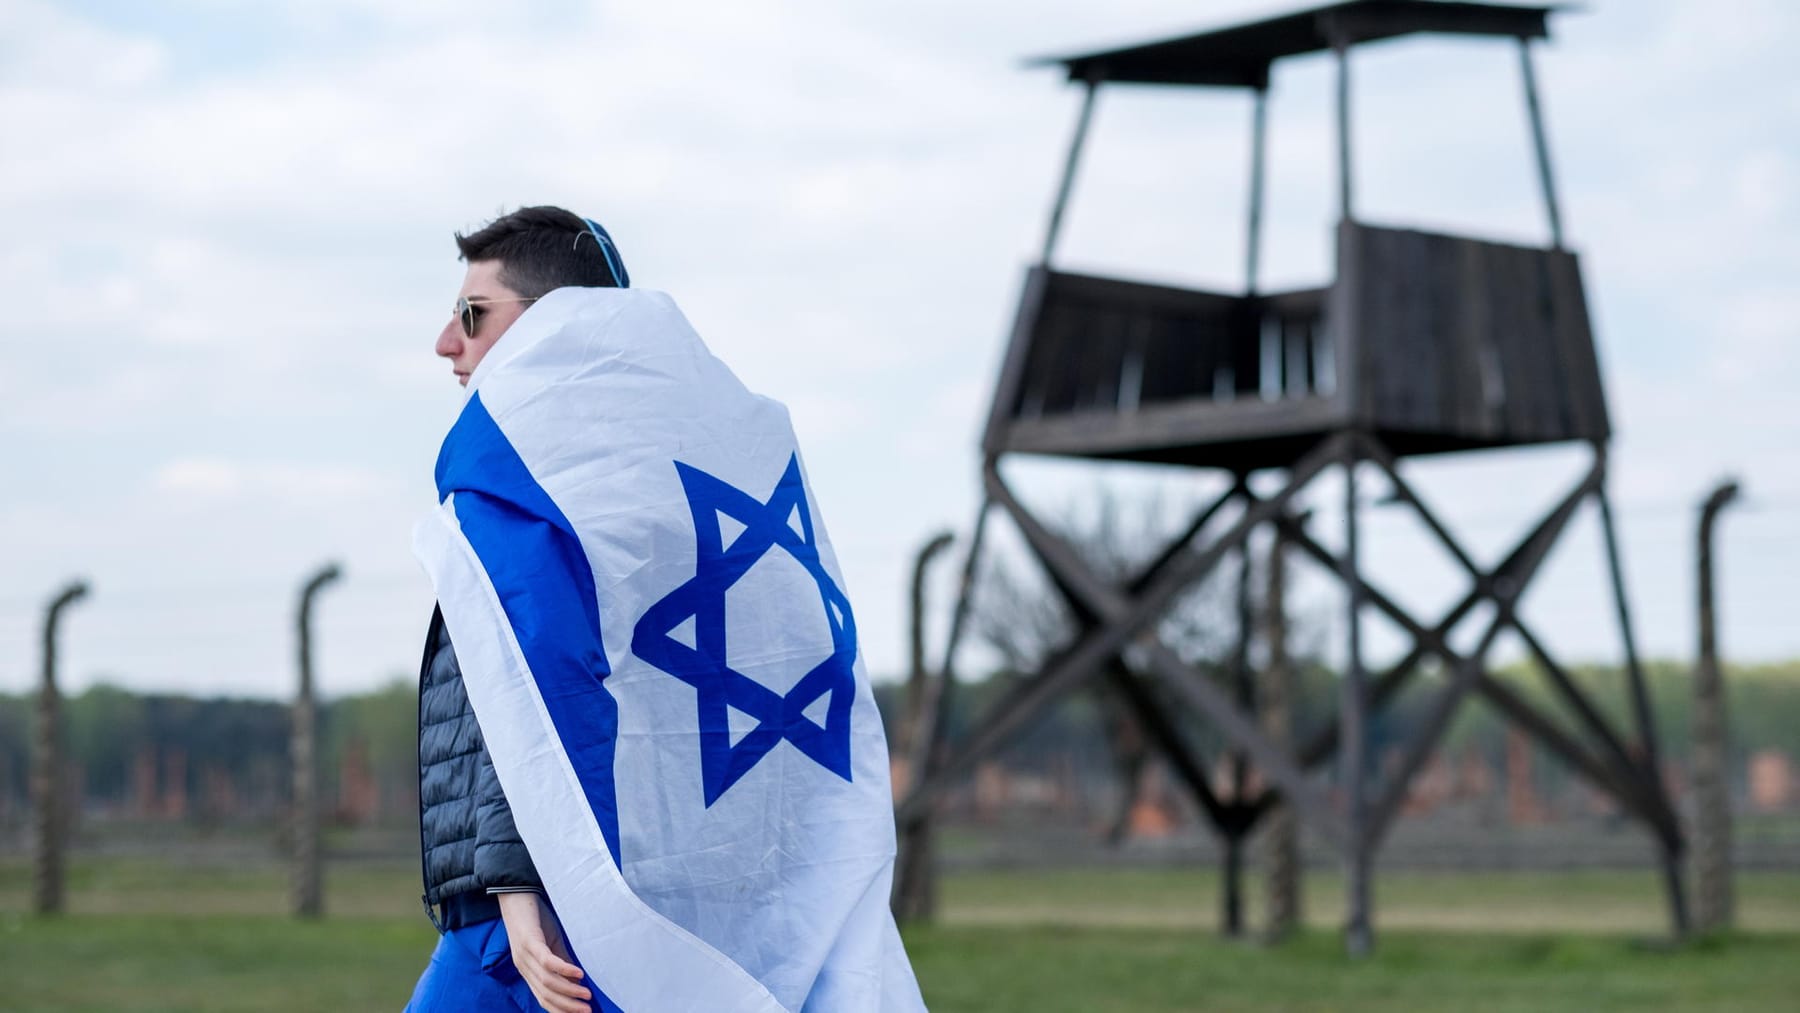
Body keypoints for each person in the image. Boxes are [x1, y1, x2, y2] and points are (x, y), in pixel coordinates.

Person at [407, 206, 925, 1012]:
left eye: (472, 315)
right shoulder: (687, 476)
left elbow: (538, 684)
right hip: (562, 899)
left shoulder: (545, 492)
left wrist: (515, 885)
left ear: (552, 324)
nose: (448, 342)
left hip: (542, 925)